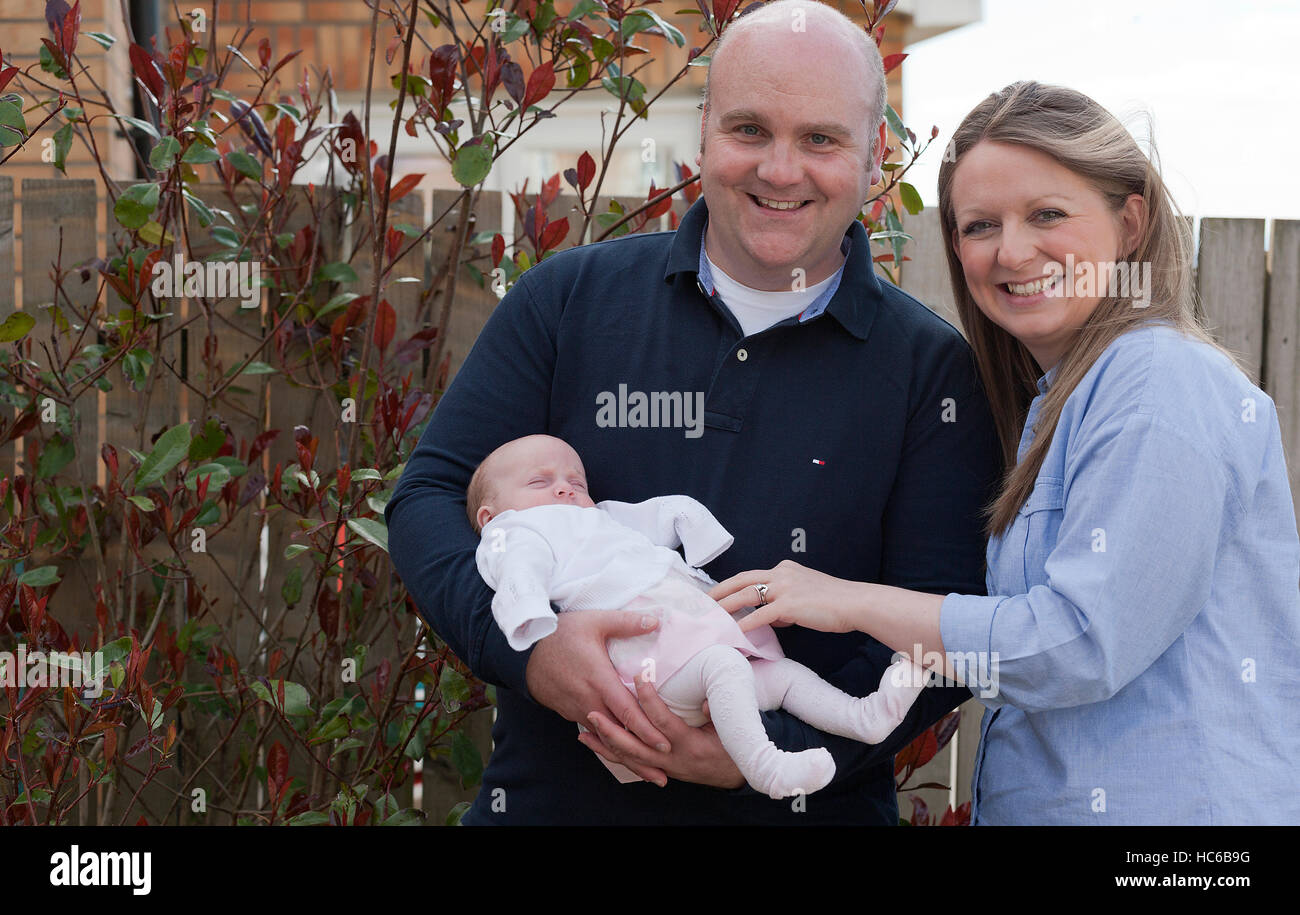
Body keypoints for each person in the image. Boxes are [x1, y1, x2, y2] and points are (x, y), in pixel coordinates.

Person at [385, 0, 1001, 824]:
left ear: (875, 153)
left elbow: (945, 627)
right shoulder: (567, 303)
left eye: (820, 138)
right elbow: (429, 500)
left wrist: (764, 747)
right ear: (704, 131)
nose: (781, 170)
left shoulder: (932, 373)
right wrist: (529, 653)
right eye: (749, 129)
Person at [711, 81, 1300, 825]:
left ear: (1131, 220)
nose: (1012, 250)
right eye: (980, 225)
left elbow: (1080, 643)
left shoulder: (1158, 379)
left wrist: (841, 599)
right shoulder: (1060, 401)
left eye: (1047, 214)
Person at [468, 434, 927, 799]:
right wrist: (529, 620)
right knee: (725, 668)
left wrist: (691, 525)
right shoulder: (517, 531)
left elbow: (658, 514)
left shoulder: (600, 517)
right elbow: (518, 575)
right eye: (539, 482)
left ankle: (865, 716)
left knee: (780, 676)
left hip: (687, 643)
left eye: (576, 480)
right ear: (491, 516)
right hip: (645, 666)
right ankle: (766, 767)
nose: (565, 487)